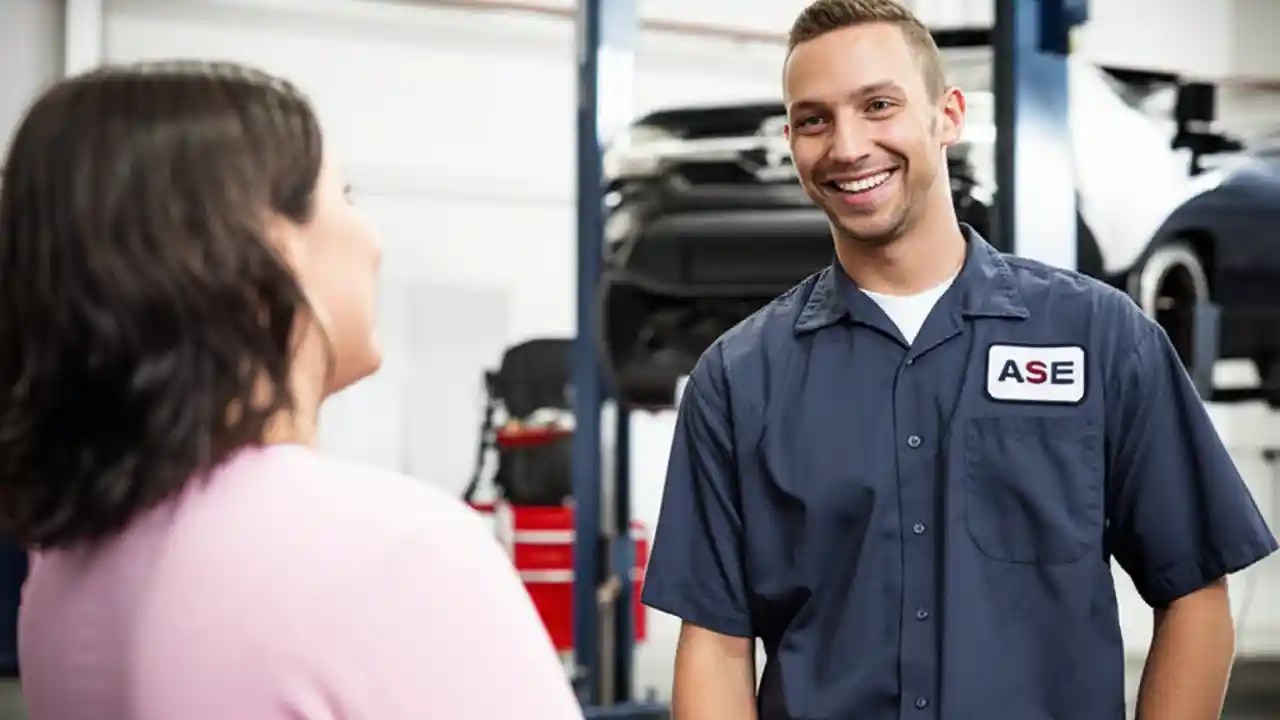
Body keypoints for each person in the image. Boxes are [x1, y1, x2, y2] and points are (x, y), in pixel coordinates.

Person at [640, 1, 1279, 718]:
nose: (848, 145)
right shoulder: (740, 379)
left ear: (947, 116)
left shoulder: (1101, 340)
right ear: (791, 141)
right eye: (815, 119)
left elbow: (1193, 594)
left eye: (878, 105)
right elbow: (715, 644)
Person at [0, 61, 584, 719]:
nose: (374, 242)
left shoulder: (65, 572)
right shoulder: (397, 554)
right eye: (347, 197)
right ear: (274, 250)